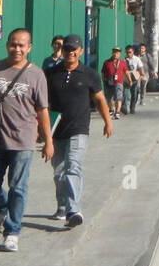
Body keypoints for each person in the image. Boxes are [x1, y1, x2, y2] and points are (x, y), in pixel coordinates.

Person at [0, 28, 53, 252]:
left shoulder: (36, 75)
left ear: (29, 48)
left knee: (18, 187)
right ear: (7, 45)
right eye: (13, 44)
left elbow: (42, 110)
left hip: (23, 141)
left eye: (22, 45)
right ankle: (4, 209)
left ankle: (13, 231)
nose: (17, 48)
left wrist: (48, 140)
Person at [44, 33, 112, 227]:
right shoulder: (51, 74)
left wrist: (108, 121)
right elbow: (43, 105)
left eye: (74, 49)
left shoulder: (90, 75)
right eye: (67, 49)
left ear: (80, 51)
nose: (70, 53)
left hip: (79, 129)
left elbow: (99, 100)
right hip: (57, 131)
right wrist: (43, 132)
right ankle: (63, 206)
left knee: (73, 167)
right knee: (59, 173)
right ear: (62, 50)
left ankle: (74, 210)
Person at [101, 47, 128, 118]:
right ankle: (111, 110)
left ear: (120, 54)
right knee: (108, 98)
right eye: (114, 52)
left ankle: (117, 112)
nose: (116, 54)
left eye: (117, 53)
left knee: (118, 97)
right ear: (112, 53)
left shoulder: (123, 63)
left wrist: (130, 80)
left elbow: (126, 72)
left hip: (118, 82)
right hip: (108, 82)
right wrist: (103, 80)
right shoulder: (107, 62)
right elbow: (103, 72)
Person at [126, 45, 144, 113]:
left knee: (134, 94)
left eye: (130, 52)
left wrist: (142, 74)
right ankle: (124, 107)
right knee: (124, 94)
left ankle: (132, 107)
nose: (128, 54)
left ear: (133, 52)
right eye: (127, 52)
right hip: (126, 79)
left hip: (134, 78)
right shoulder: (124, 60)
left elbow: (140, 67)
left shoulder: (137, 59)